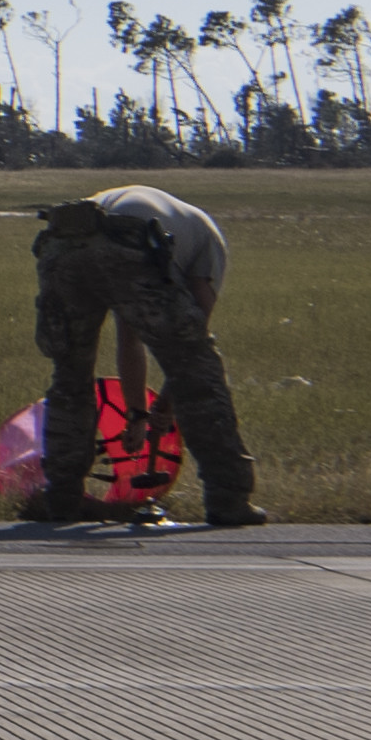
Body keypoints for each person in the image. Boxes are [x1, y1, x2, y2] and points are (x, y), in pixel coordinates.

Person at [26, 183, 268, 528]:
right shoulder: (207, 238)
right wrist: (165, 407)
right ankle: (228, 498)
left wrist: (139, 413)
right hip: (126, 241)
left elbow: (131, 338)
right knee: (199, 371)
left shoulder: (144, 212)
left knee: (70, 376)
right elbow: (189, 348)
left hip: (62, 243)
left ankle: (62, 499)